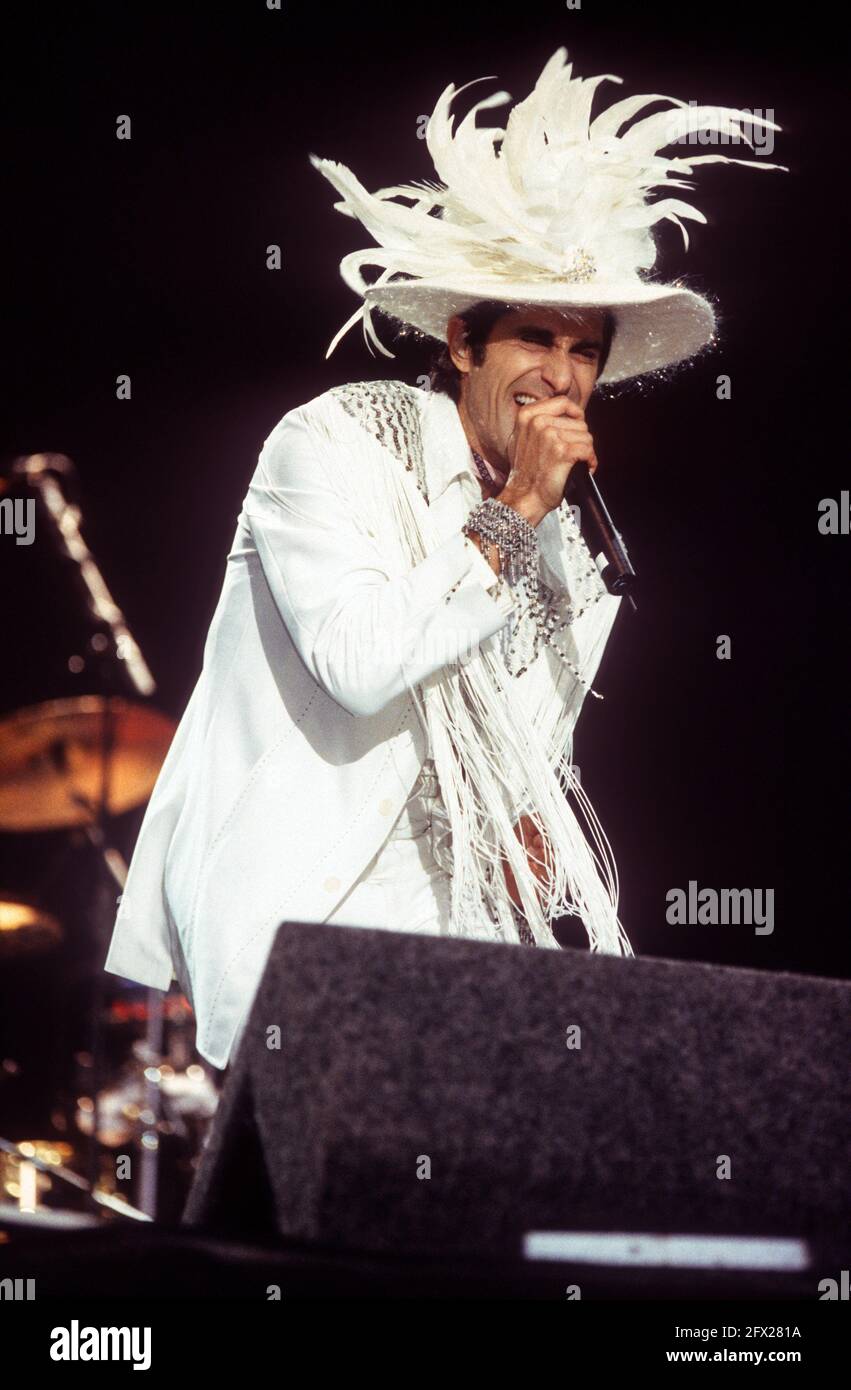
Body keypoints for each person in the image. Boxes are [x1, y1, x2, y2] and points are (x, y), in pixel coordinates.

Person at [104, 48, 784, 1069]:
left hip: (457, 942)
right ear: (463, 343)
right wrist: (511, 512)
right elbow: (362, 660)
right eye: (532, 339)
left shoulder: (576, 543)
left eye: (585, 349)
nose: (559, 375)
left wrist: (536, 855)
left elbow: (521, 758)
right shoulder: (329, 442)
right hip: (306, 914)